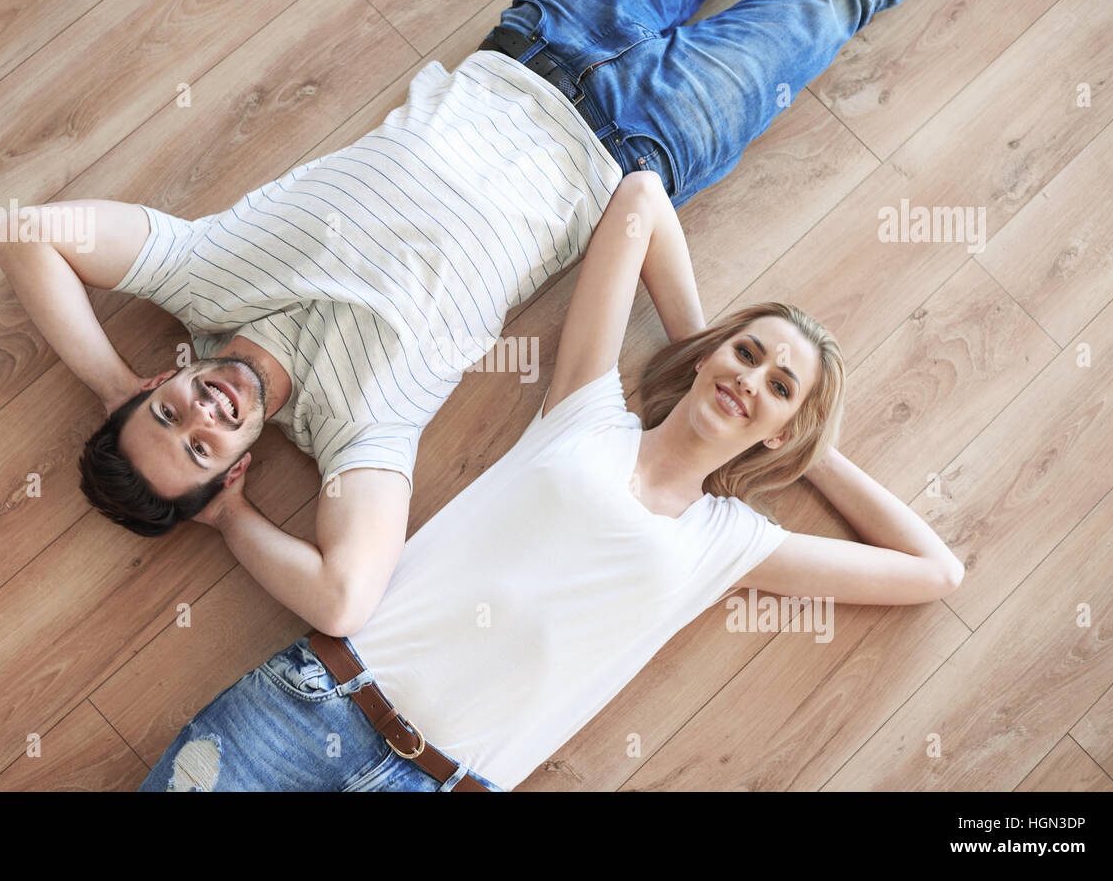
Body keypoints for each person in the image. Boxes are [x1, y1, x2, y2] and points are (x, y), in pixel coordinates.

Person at [0, 0, 976, 640]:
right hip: (649, 144)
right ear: (232, 467)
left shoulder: (198, 276)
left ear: (161, 382)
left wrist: (110, 385)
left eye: (167, 416)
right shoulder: (356, 435)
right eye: (204, 448)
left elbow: (24, 233)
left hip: (543, 42)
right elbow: (344, 603)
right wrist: (234, 523)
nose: (200, 414)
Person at [138, 169, 964, 791]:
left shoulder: (732, 543)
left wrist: (807, 444)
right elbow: (639, 196)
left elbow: (936, 572)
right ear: (715, 350)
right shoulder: (587, 409)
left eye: (780, 387)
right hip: (313, 698)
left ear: (786, 426)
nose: (752, 379)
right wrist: (709, 344)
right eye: (747, 353)